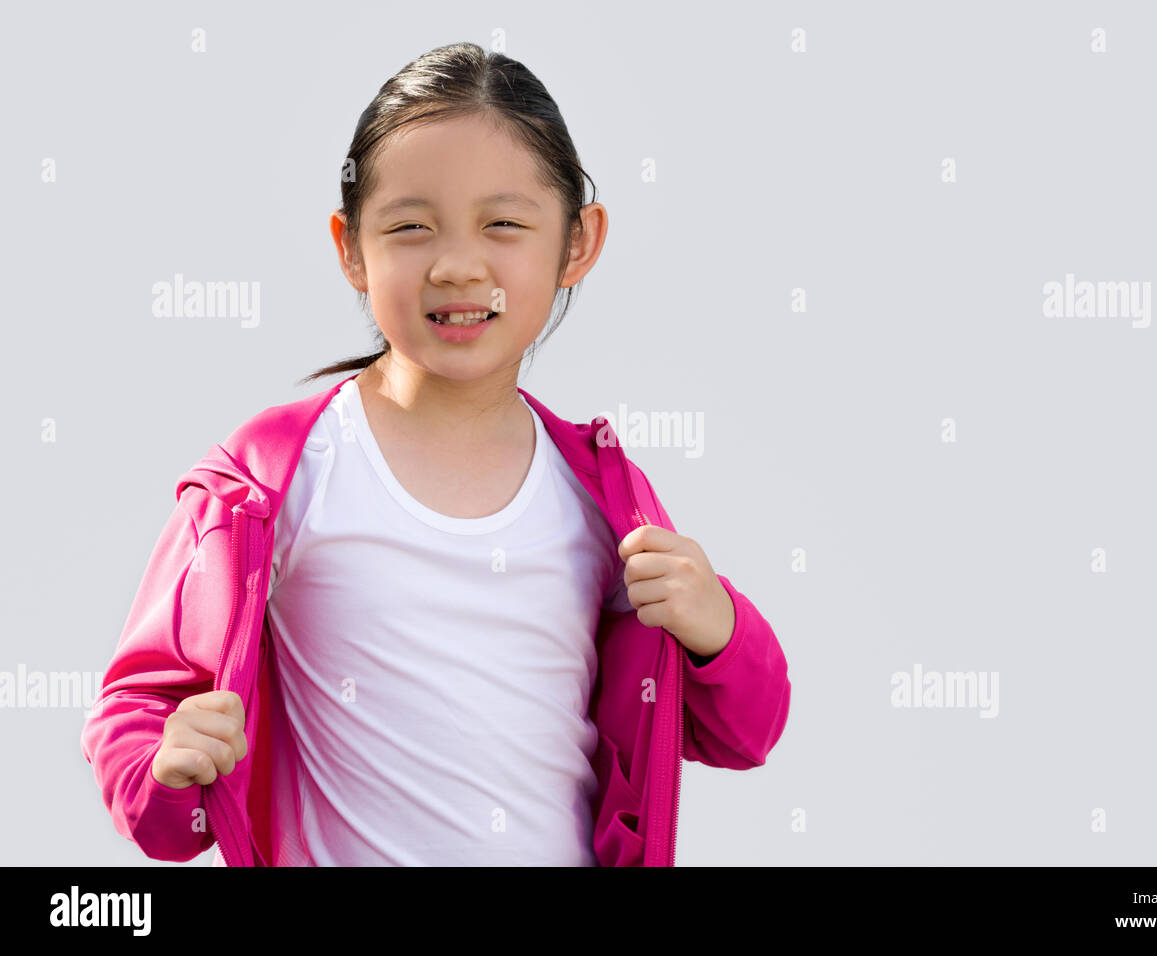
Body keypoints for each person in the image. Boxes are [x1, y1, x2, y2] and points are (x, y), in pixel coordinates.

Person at [80, 41, 790, 866]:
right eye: (411, 227)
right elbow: (140, 716)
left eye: (504, 224)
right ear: (351, 248)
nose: (457, 264)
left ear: (578, 243)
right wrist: (168, 771)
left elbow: (743, 733)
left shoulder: (603, 495)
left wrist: (721, 630)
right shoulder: (271, 477)